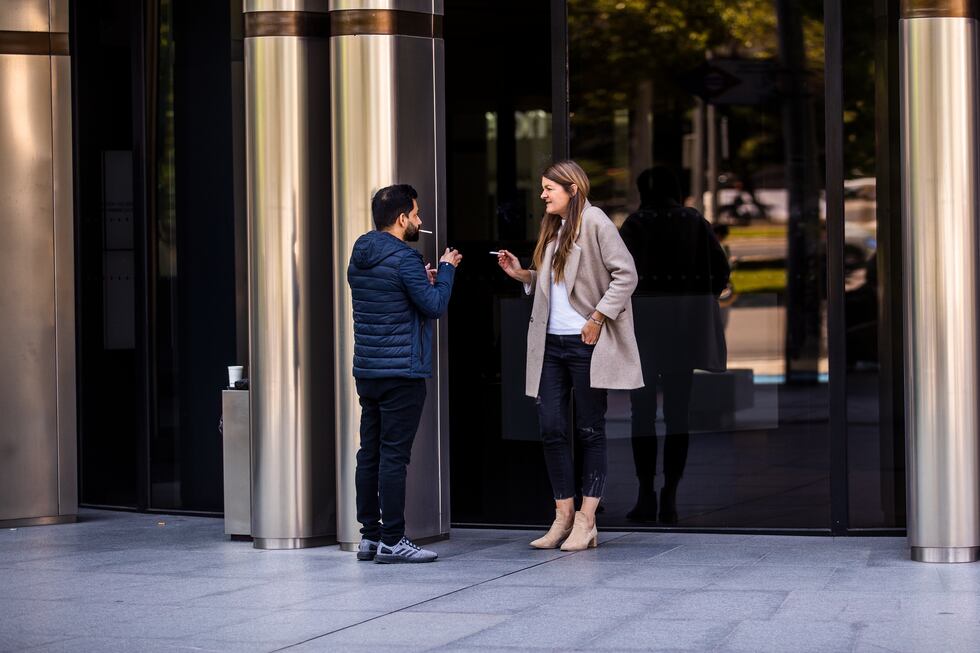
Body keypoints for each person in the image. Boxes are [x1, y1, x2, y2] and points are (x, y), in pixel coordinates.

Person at [496, 160, 642, 551]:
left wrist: (597, 317)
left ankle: (587, 520)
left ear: (572, 189)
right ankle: (562, 517)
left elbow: (626, 274)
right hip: (551, 345)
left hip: (585, 343)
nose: (542, 195)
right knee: (552, 428)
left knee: (590, 430)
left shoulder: (595, 222)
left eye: (549, 188)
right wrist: (522, 274)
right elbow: (553, 282)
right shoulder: (553, 228)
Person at [347, 184, 462, 563]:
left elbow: (391, 296)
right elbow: (434, 306)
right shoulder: (405, 259)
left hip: (369, 369)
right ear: (401, 219)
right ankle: (394, 540)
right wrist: (446, 270)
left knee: (371, 452)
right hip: (402, 372)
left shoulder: (360, 253)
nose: (420, 221)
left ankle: (370, 536)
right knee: (395, 457)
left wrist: (419, 278)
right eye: (416, 214)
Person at [619, 166, 730, 524]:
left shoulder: (636, 224)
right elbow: (721, 269)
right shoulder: (694, 221)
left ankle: (645, 492)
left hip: (643, 334)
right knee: (678, 415)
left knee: (642, 415)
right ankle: (671, 496)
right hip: (684, 333)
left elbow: (617, 274)